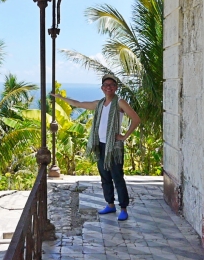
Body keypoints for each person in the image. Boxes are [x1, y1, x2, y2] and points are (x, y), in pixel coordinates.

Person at [54, 74, 141, 221]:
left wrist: (124, 136)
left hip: (113, 147)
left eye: (112, 85)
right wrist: (60, 98)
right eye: (106, 85)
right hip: (100, 145)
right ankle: (110, 205)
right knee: (105, 177)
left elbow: (136, 119)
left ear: (116, 87)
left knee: (117, 178)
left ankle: (123, 208)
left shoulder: (120, 102)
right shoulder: (99, 104)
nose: (109, 87)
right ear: (102, 88)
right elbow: (78, 103)